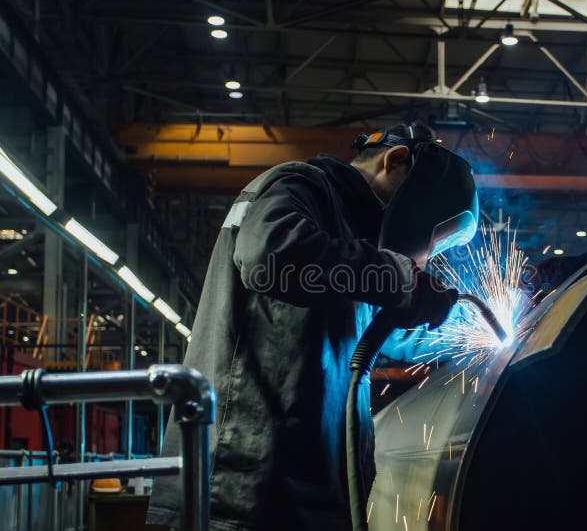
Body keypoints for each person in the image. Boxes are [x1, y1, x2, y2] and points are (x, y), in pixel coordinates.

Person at [146, 122, 468, 531]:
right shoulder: (299, 186)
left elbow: (391, 329)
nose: (421, 257)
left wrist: (461, 324)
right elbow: (270, 256)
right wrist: (399, 279)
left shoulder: (354, 247)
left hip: (305, 493)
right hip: (241, 489)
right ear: (396, 161)